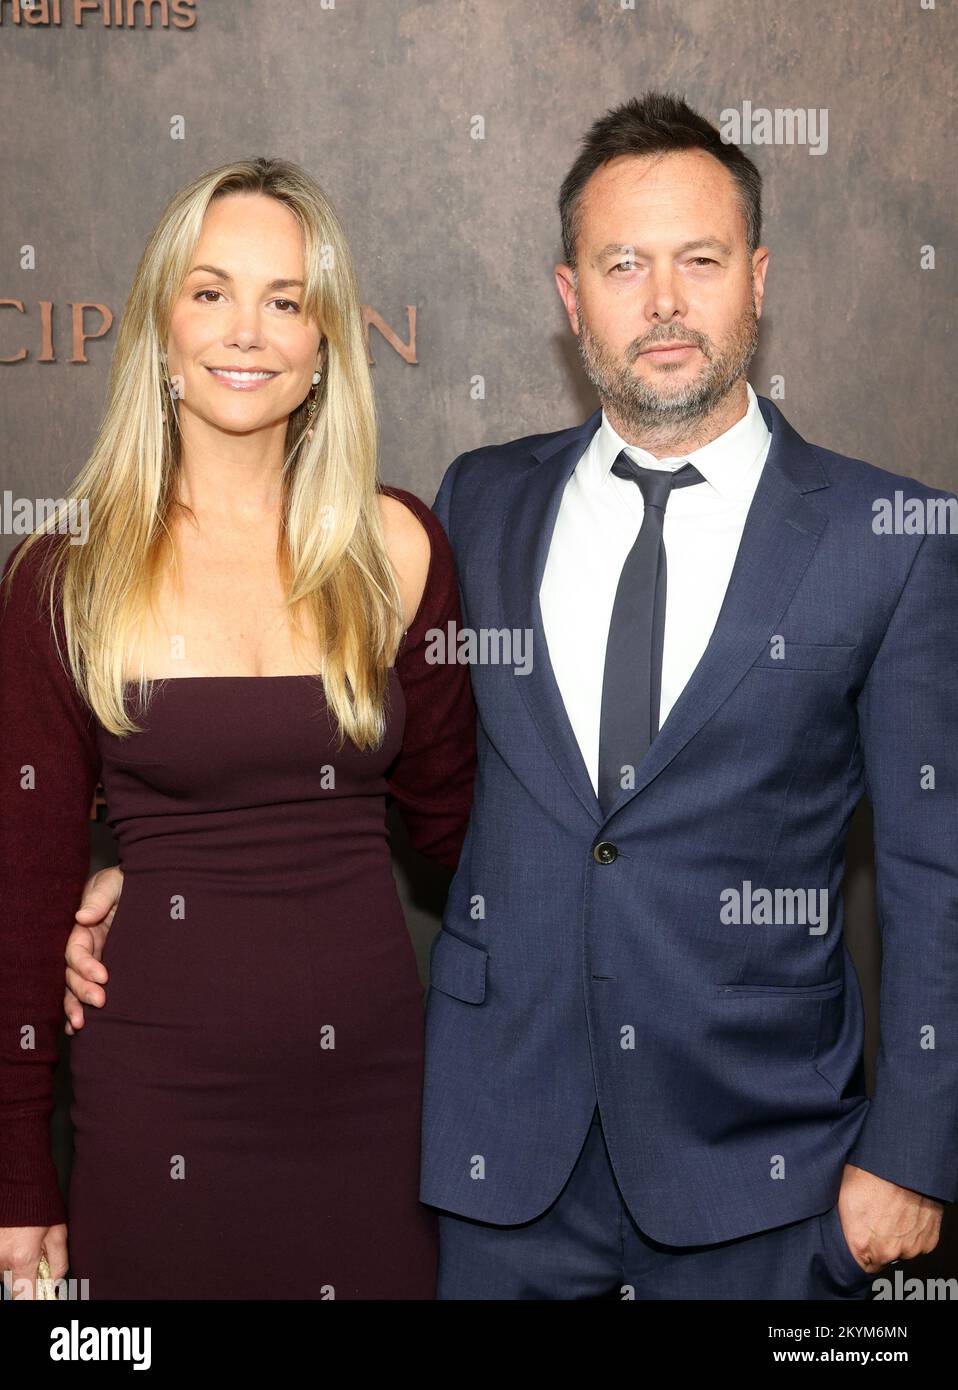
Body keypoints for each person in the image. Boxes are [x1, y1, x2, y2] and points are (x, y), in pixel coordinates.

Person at [63, 92, 956, 1301]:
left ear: (758, 277)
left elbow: (929, 868)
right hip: (490, 1170)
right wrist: (132, 870)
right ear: (567, 294)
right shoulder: (473, 511)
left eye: (698, 261)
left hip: (766, 1172)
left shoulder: (881, 535)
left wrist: (910, 1156)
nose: (663, 301)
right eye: (622, 263)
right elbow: (392, 772)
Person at [0, 157, 475, 1300]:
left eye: (285, 298)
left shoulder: (398, 547)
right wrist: (19, 1180)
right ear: (161, 327)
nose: (246, 330)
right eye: (210, 291)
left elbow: (474, 845)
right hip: (157, 1097)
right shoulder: (65, 580)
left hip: (377, 1100)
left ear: (323, 348)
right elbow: (22, 897)